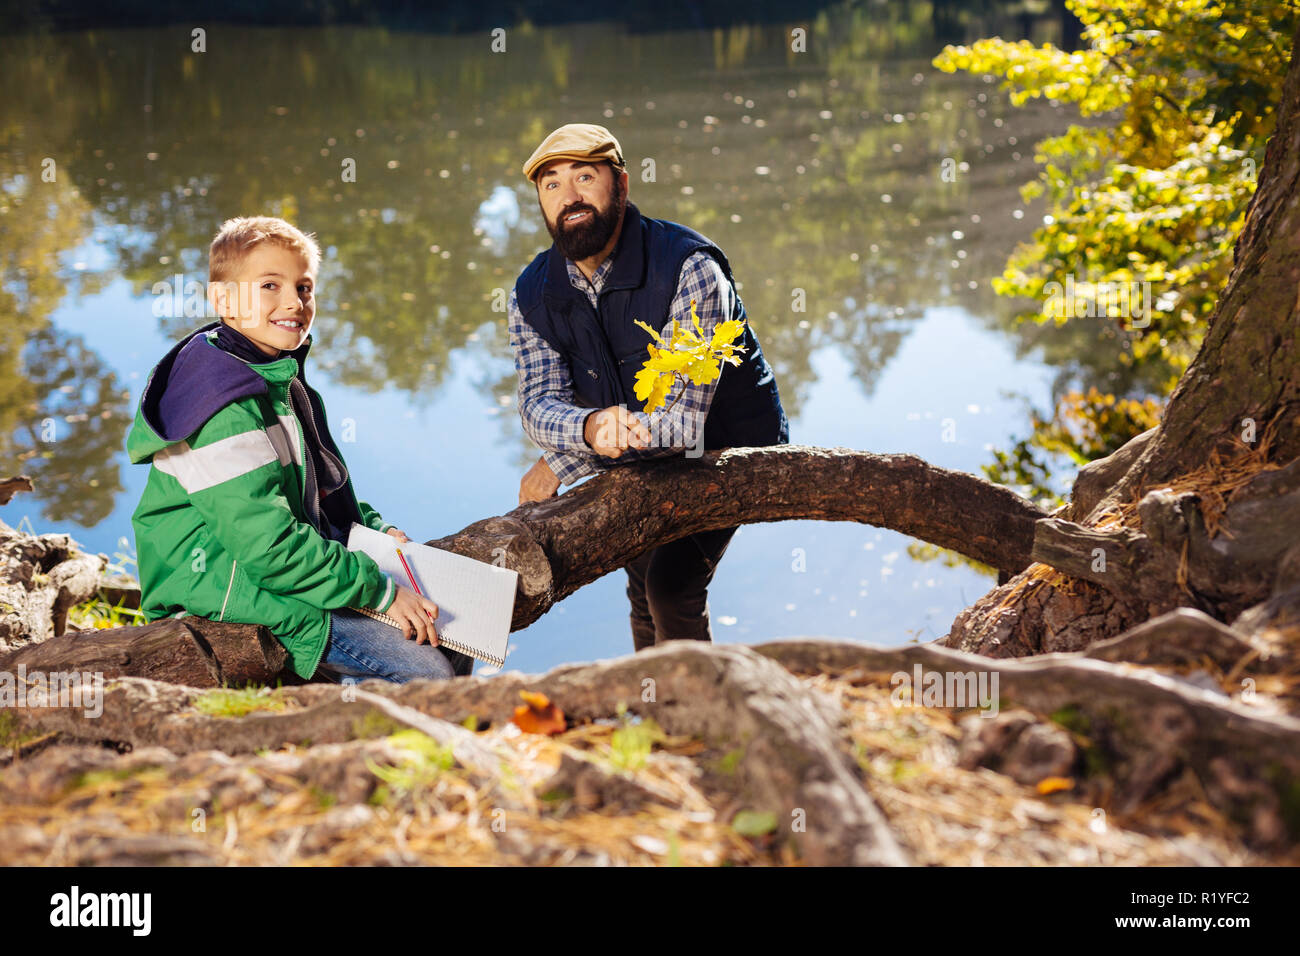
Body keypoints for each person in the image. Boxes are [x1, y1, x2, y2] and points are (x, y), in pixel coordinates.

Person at [128, 216, 473, 683]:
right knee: (429, 677)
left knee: (455, 637)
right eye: (270, 285)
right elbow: (270, 548)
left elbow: (312, 490)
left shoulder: (275, 376)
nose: (294, 302)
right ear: (224, 299)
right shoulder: (222, 405)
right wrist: (383, 593)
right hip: (224, 584)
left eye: (304, 288)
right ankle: (351, 727)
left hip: (272, 564)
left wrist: (373, 529)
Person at [507, 123, 789, 652]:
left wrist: (565, 460)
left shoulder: (690, 268)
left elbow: (683, 425)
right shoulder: (530, 295)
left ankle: (705, 718)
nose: (569, 197)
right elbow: (538, 407)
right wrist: (589, 428)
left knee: (671, 586)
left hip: (726, 446)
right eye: (551, 185)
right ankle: (656, 717)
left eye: (585, 177)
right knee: (639, 581)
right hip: (634, 454)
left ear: (621, 184)